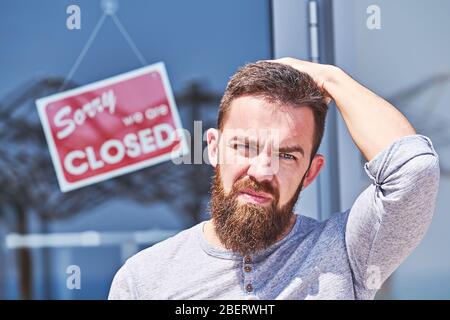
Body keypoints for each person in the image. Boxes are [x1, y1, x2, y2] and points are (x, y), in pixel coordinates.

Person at [108, 58, 440, 300]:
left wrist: (331, 78)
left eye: (287, 155)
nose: (262, 171)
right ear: (213, 148)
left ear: (311, 172)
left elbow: (413, 170)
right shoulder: (145, 279)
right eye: (245, 147)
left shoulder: (346, 253)